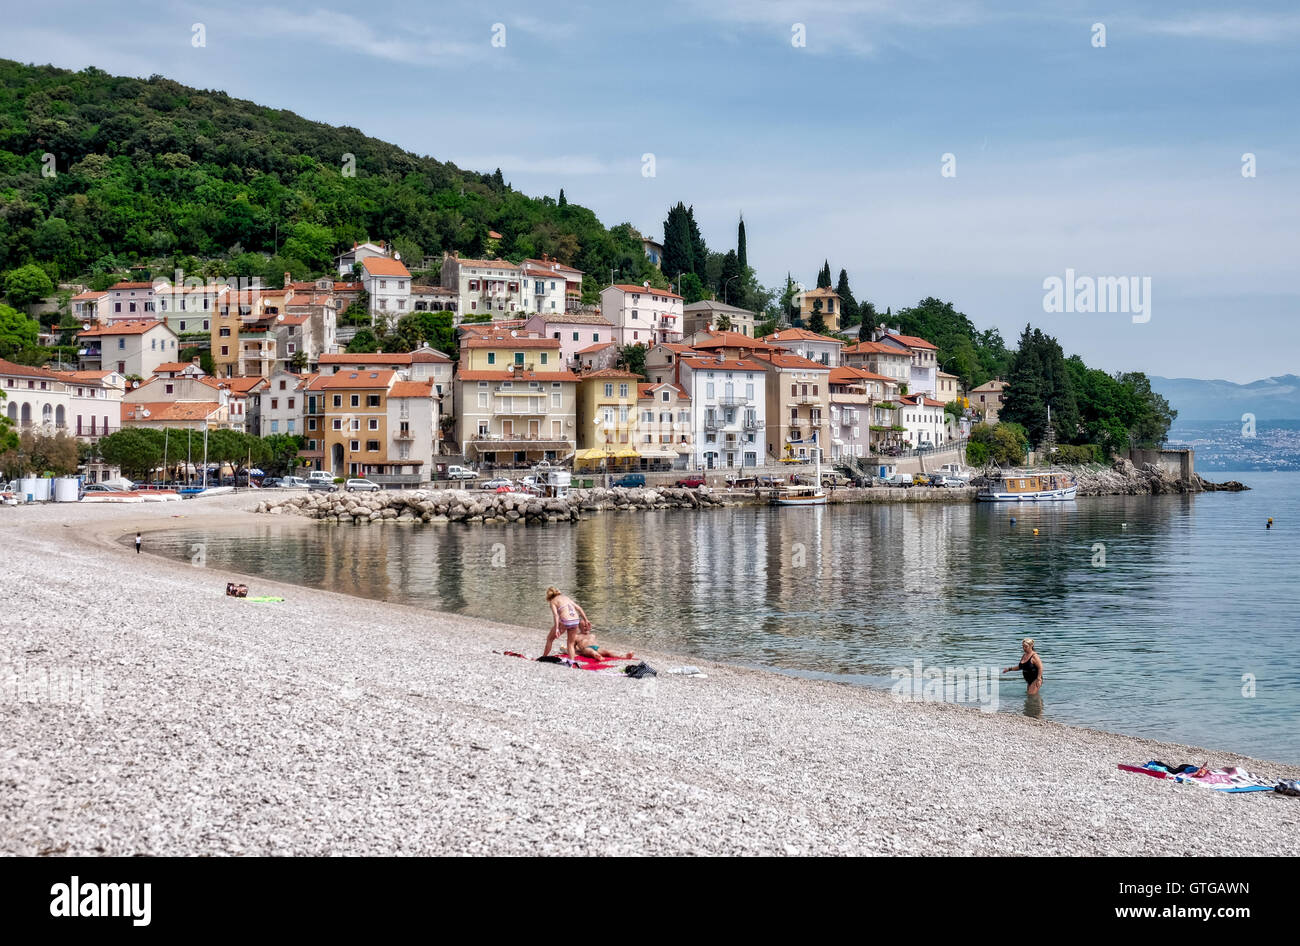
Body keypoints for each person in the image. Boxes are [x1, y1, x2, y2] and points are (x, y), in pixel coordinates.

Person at [543, 587, 590, 659]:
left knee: (549, 639)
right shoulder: (566, 598)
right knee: (571, 643)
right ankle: (571, 662)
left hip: (566, 621)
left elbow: (556, 615)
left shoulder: (553, 601)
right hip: (575, 621)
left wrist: (556, 628)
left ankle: (544, 657)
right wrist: (586, 620)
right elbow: (579, 608)